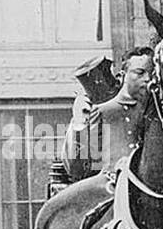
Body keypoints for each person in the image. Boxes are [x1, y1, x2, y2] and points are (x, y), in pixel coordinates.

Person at [63, 46, 153, 181]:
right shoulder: (103, 112)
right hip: (111, 187)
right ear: (123, 76)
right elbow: (79, 169)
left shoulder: (158, 113)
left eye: (152, 73)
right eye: (140, 73)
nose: (148, 79)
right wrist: (79, 123)